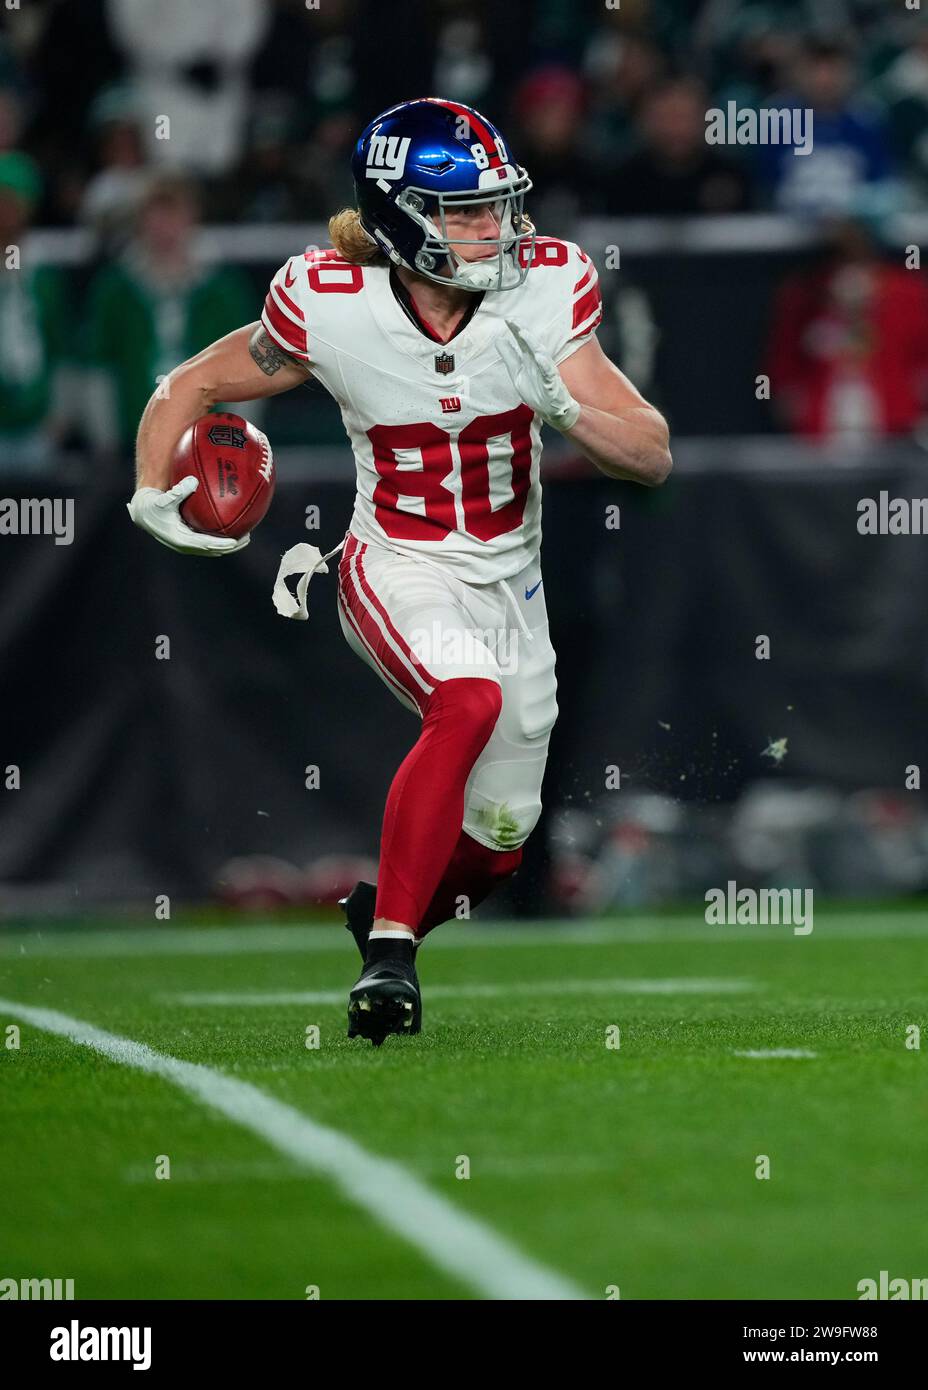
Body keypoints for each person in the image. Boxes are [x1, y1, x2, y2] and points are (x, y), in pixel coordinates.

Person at [127, 98, 672, 1045]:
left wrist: (568, 413)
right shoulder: (329, 299)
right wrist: (147, 489)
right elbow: (196, 382)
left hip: (516, 585)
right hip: (398, 563)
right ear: (399, 214)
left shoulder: (547, 290)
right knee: (466, 702)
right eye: (463, 211)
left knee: (502, 841)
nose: (493, 228)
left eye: (497, 205)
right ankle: (389, 960)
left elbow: (653, 455)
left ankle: (392, 907)